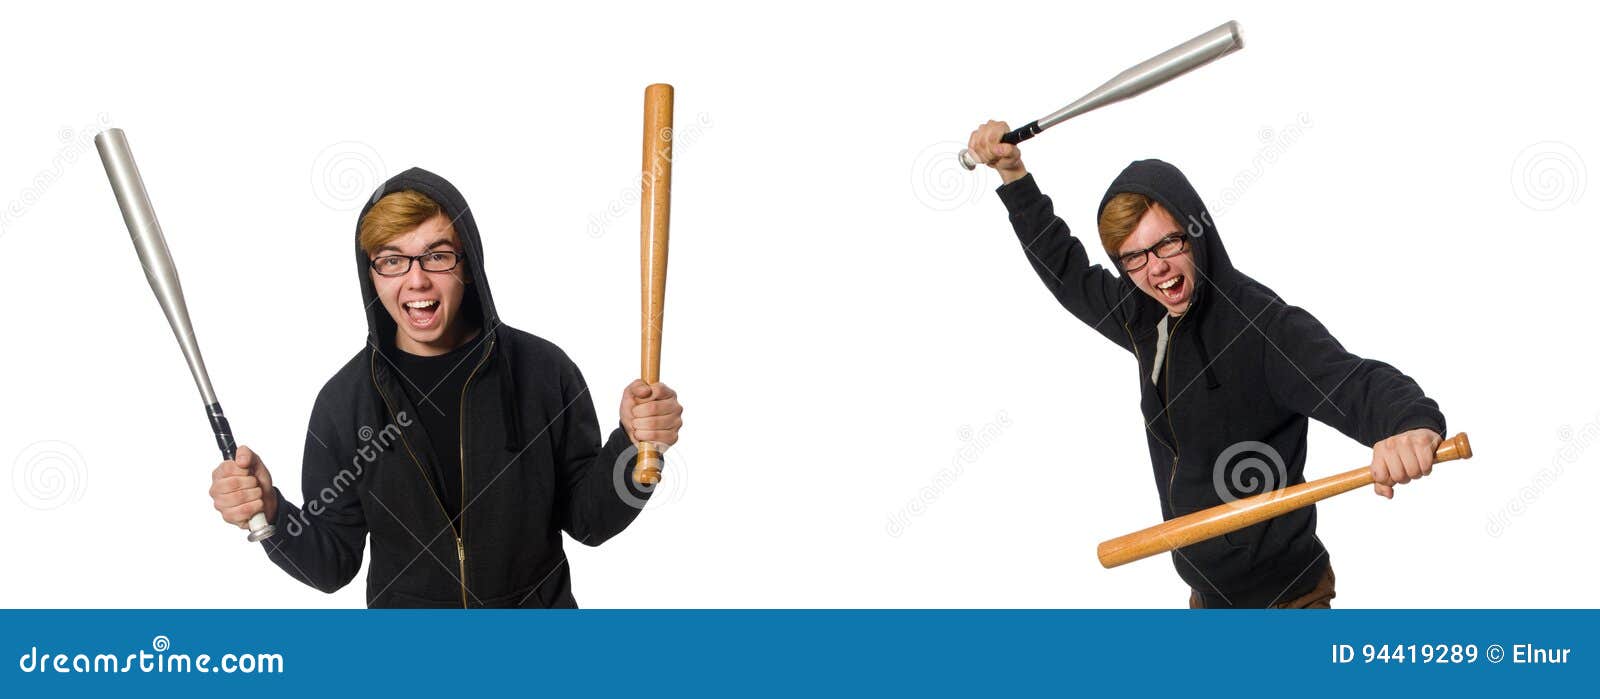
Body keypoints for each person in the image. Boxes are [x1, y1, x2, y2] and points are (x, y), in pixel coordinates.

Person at [967, 122, 1445, 608]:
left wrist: (1410, 425)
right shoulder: (1144, 317)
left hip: (1287, 603)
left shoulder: (1261, 327)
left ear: (1197, 233)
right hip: (1208, 601)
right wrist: (1014, 176)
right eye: (1133, 258)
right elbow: (1068, 276)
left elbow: (1355, 382)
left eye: (1167, 244)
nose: (1155, 268)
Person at [207, 168, 683, 608]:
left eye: (437, 256)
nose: (416, 280)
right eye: (392, 260)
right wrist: (272, 514)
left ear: (468, 264)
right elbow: (332, 566)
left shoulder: (544, 372)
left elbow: (590, 522)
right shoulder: (344, 402)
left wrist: (635, 445)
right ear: (371, 275)